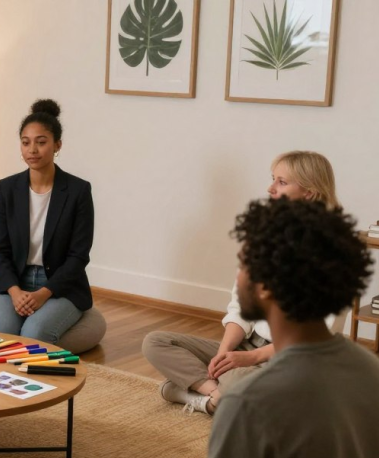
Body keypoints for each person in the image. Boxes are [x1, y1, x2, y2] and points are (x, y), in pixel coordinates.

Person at [58, 198, 379, 458]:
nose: (237, 276)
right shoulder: (371, 369)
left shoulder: (251, 400)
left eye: (242, 264)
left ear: (266, 285)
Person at [142, 151, 342, 414]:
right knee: (155, 342)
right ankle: (215, 397)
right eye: (272, 179)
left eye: (281, 182)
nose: (270, 188)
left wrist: (251, 358)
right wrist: (223, 354)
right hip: (246, 346)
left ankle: (194, 394)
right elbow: (240, 306)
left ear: (310, 193)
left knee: (239, 379)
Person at [0, 99, 104, 347]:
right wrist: (15, 293)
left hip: (60, 286)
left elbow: (78, 256)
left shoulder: (78, 191)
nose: (32, 150)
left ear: (57, 145)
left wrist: (43, 294)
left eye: (41, 142)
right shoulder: (6, 189)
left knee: (33, 335)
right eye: (26, 143)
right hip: (15, 282)